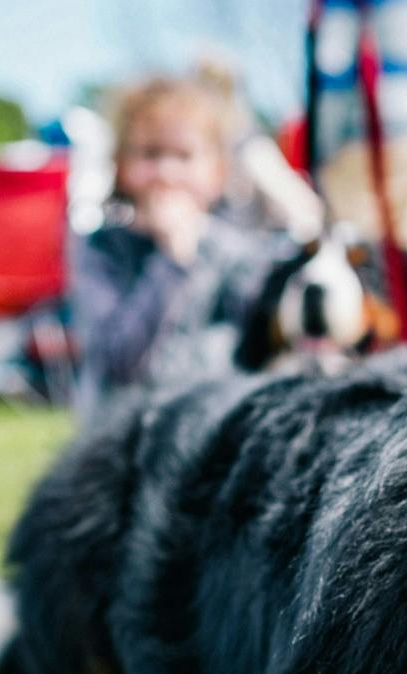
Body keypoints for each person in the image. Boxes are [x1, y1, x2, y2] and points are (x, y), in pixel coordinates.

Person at [70, 76, 280, 431]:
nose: (166, 173)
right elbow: (119, 358)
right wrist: (171, 260)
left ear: (217, 172)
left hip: (208, 436)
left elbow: (260, 349)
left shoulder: (238, 254)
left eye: (184, 156)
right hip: (118, 438)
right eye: (150, 154)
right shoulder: (103, 250)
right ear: (121, 165)